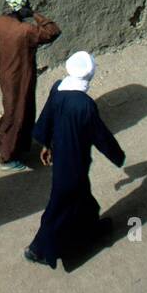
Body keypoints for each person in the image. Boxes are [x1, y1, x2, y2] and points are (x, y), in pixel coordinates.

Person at [25, 51, 125, 268]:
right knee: (60, 205)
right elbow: (101, 136)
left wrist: (46, 144)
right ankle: (38, 249)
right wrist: (117, 156)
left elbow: (47, 118)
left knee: (83, 200)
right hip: (74, 162)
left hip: (61, 153)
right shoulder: (85, 105)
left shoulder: (58, 88)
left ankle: (91, 229)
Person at [0, 0, 61, 172]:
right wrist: (35, 15)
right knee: (19, 114)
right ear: (21, 9)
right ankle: (7, 157)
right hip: (20, 78)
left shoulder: (0, 22)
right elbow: (53, 32)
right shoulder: (26, 30)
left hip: (5, 74)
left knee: (10, 110)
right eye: (26, 6)